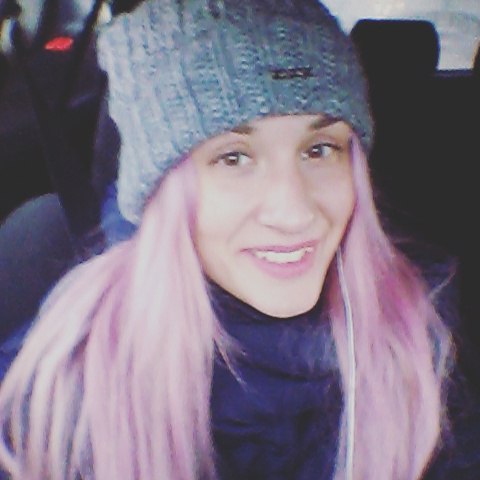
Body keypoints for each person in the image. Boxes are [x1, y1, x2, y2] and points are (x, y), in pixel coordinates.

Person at [0, 0, 461, 479]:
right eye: (233, 158)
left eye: (319, 149)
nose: (294, 213)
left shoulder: (418, 339)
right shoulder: (64, 391)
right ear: (164, 190)